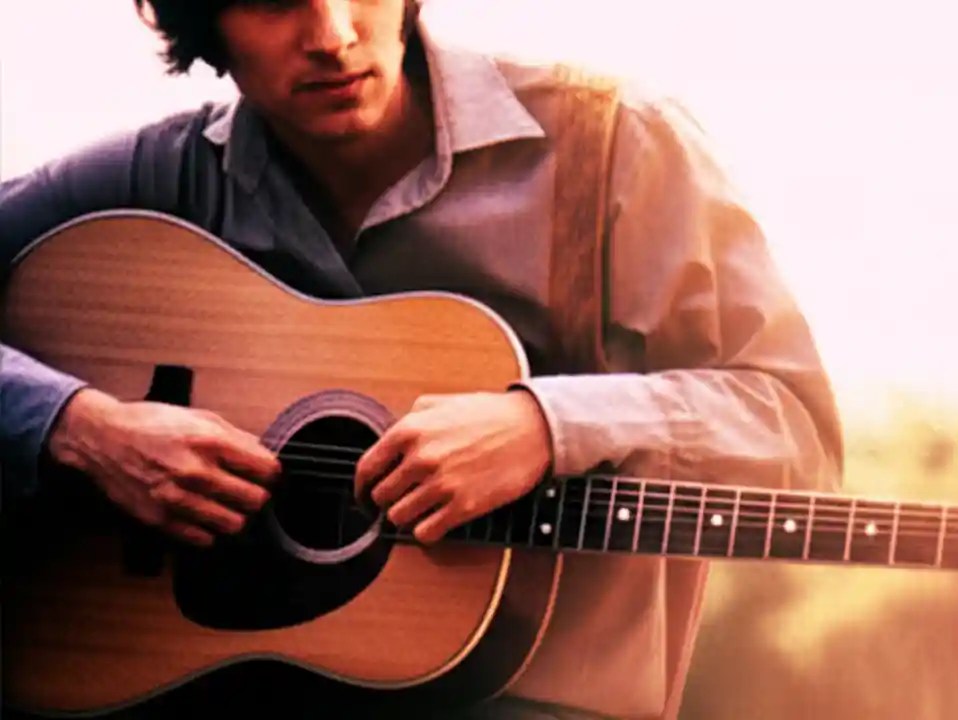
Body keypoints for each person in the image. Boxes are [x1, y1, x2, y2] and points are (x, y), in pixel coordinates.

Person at [0, 1, 843, 717]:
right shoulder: (163, 177)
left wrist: (548, 423)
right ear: (202, 20)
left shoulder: (616, 145)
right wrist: (77, 428)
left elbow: (797, 432)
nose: (330, 33)